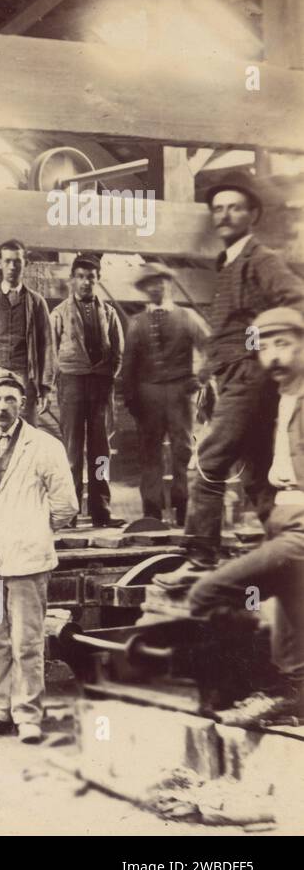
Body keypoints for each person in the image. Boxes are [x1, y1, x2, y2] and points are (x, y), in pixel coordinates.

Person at [161, 177, 304, 588]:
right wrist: (208, 375)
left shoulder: (261, 259)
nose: (225, 215)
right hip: (237, 379)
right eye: (219, 209)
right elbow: (227, 332)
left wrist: (261, 350)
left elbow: (295, 299)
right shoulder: (229, 263)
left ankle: (200, 557)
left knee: (207, 462)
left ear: (252, 214)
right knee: (258, 476)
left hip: (248, 380)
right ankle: (288, 553)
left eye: (235, 207)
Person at [187, 308, 304, 726]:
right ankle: (290, 696)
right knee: (292, 617)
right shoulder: (273, 402)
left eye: (284, 343)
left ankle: (240, 694)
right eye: (266, 346)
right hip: (280, 523)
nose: (274, 355)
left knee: (209, 594)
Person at [0, 369, 77, 744]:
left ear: (22, 403)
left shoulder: (45, 446)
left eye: (10, 399)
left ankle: (28, 714)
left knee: (27, 641)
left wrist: (33, 530)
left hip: (27, 560)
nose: (3, 406)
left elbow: (65, 505)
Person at [119, 264, 208, 524]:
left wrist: (199, 378)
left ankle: (183, 509)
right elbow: (128, 364)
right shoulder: (137, 323)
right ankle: (152, 512)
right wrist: (131, 397)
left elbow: (210, 348)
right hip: (148, 396)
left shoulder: (187, 317)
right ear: (144, 290)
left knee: (183, 451)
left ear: (170, 284)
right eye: (150, 284)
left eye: (161, 282)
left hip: (181, 394)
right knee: (149, 453)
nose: (156, 287)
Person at [49, 255, 125, 526]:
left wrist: (106, 378)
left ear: (98, 280)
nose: (85, 282)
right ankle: (69, 511)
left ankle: (101, 511)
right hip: (71, 384)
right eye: (80, 277)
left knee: (101, 451)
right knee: (71, 451)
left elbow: (118, 352)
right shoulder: (58, 314)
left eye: (90, 278)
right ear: (72, 279)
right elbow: (49, 352)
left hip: (100, 386)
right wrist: (52, 384)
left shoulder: (110, 313)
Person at [0, 238, 54, 424]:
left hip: (25, 379)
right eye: (7, 261)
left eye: (17, 261)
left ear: (26, 264)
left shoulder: (36, 302)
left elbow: (48, 347)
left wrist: (45, 388)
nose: (12, 266)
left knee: (26, 432)